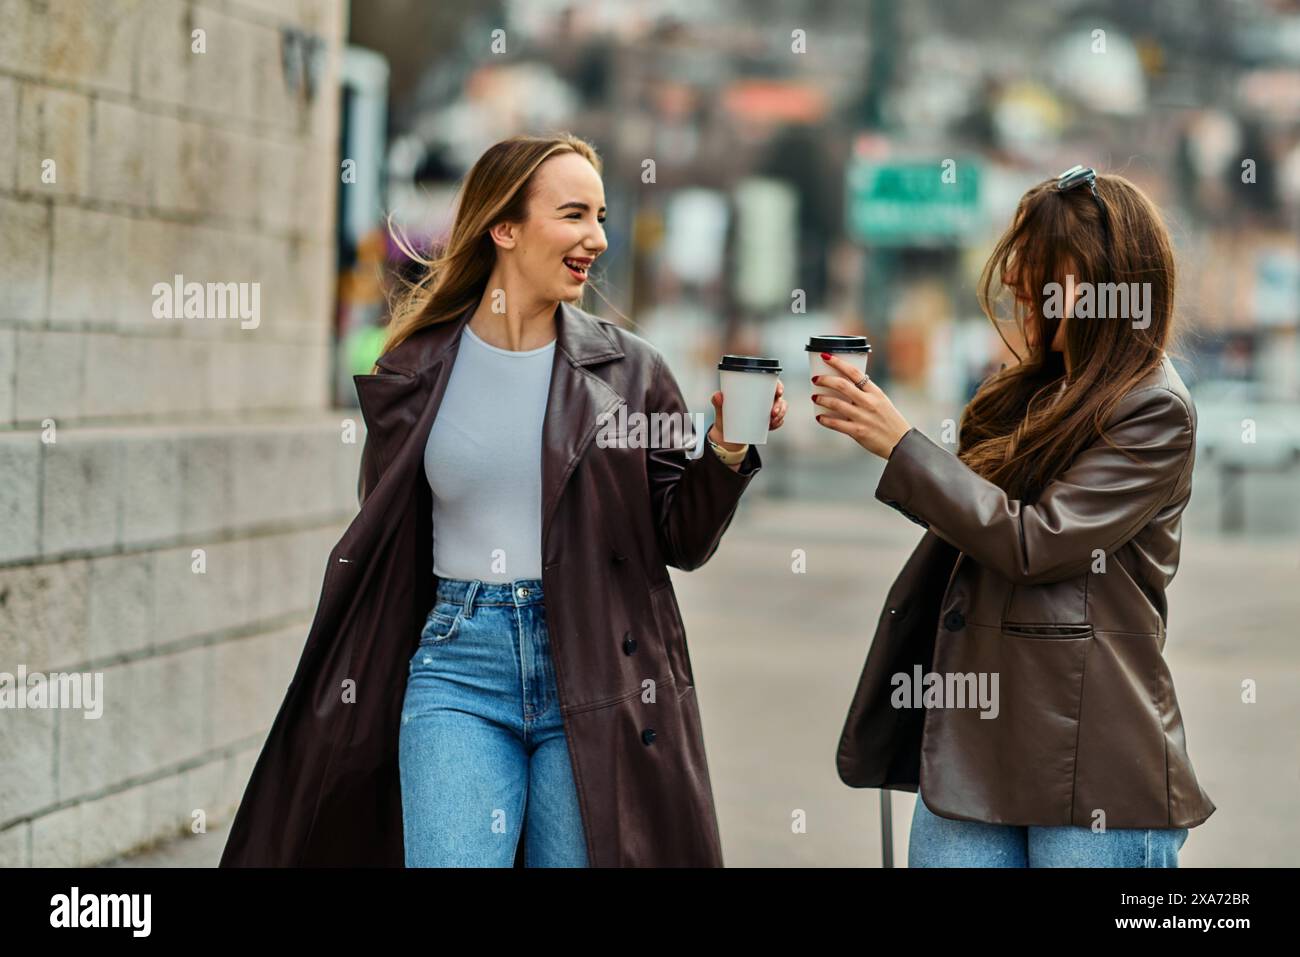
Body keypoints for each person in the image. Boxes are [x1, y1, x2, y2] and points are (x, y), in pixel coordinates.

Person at [830, 168, 1214, 867]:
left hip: (1095, 761)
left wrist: (898, 443)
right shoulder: (1024, 393)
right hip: (975, 748)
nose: (1021, 290)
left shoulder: (1154, 407)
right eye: (1022, 270)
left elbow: (1035, 543)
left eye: (1044, 274)